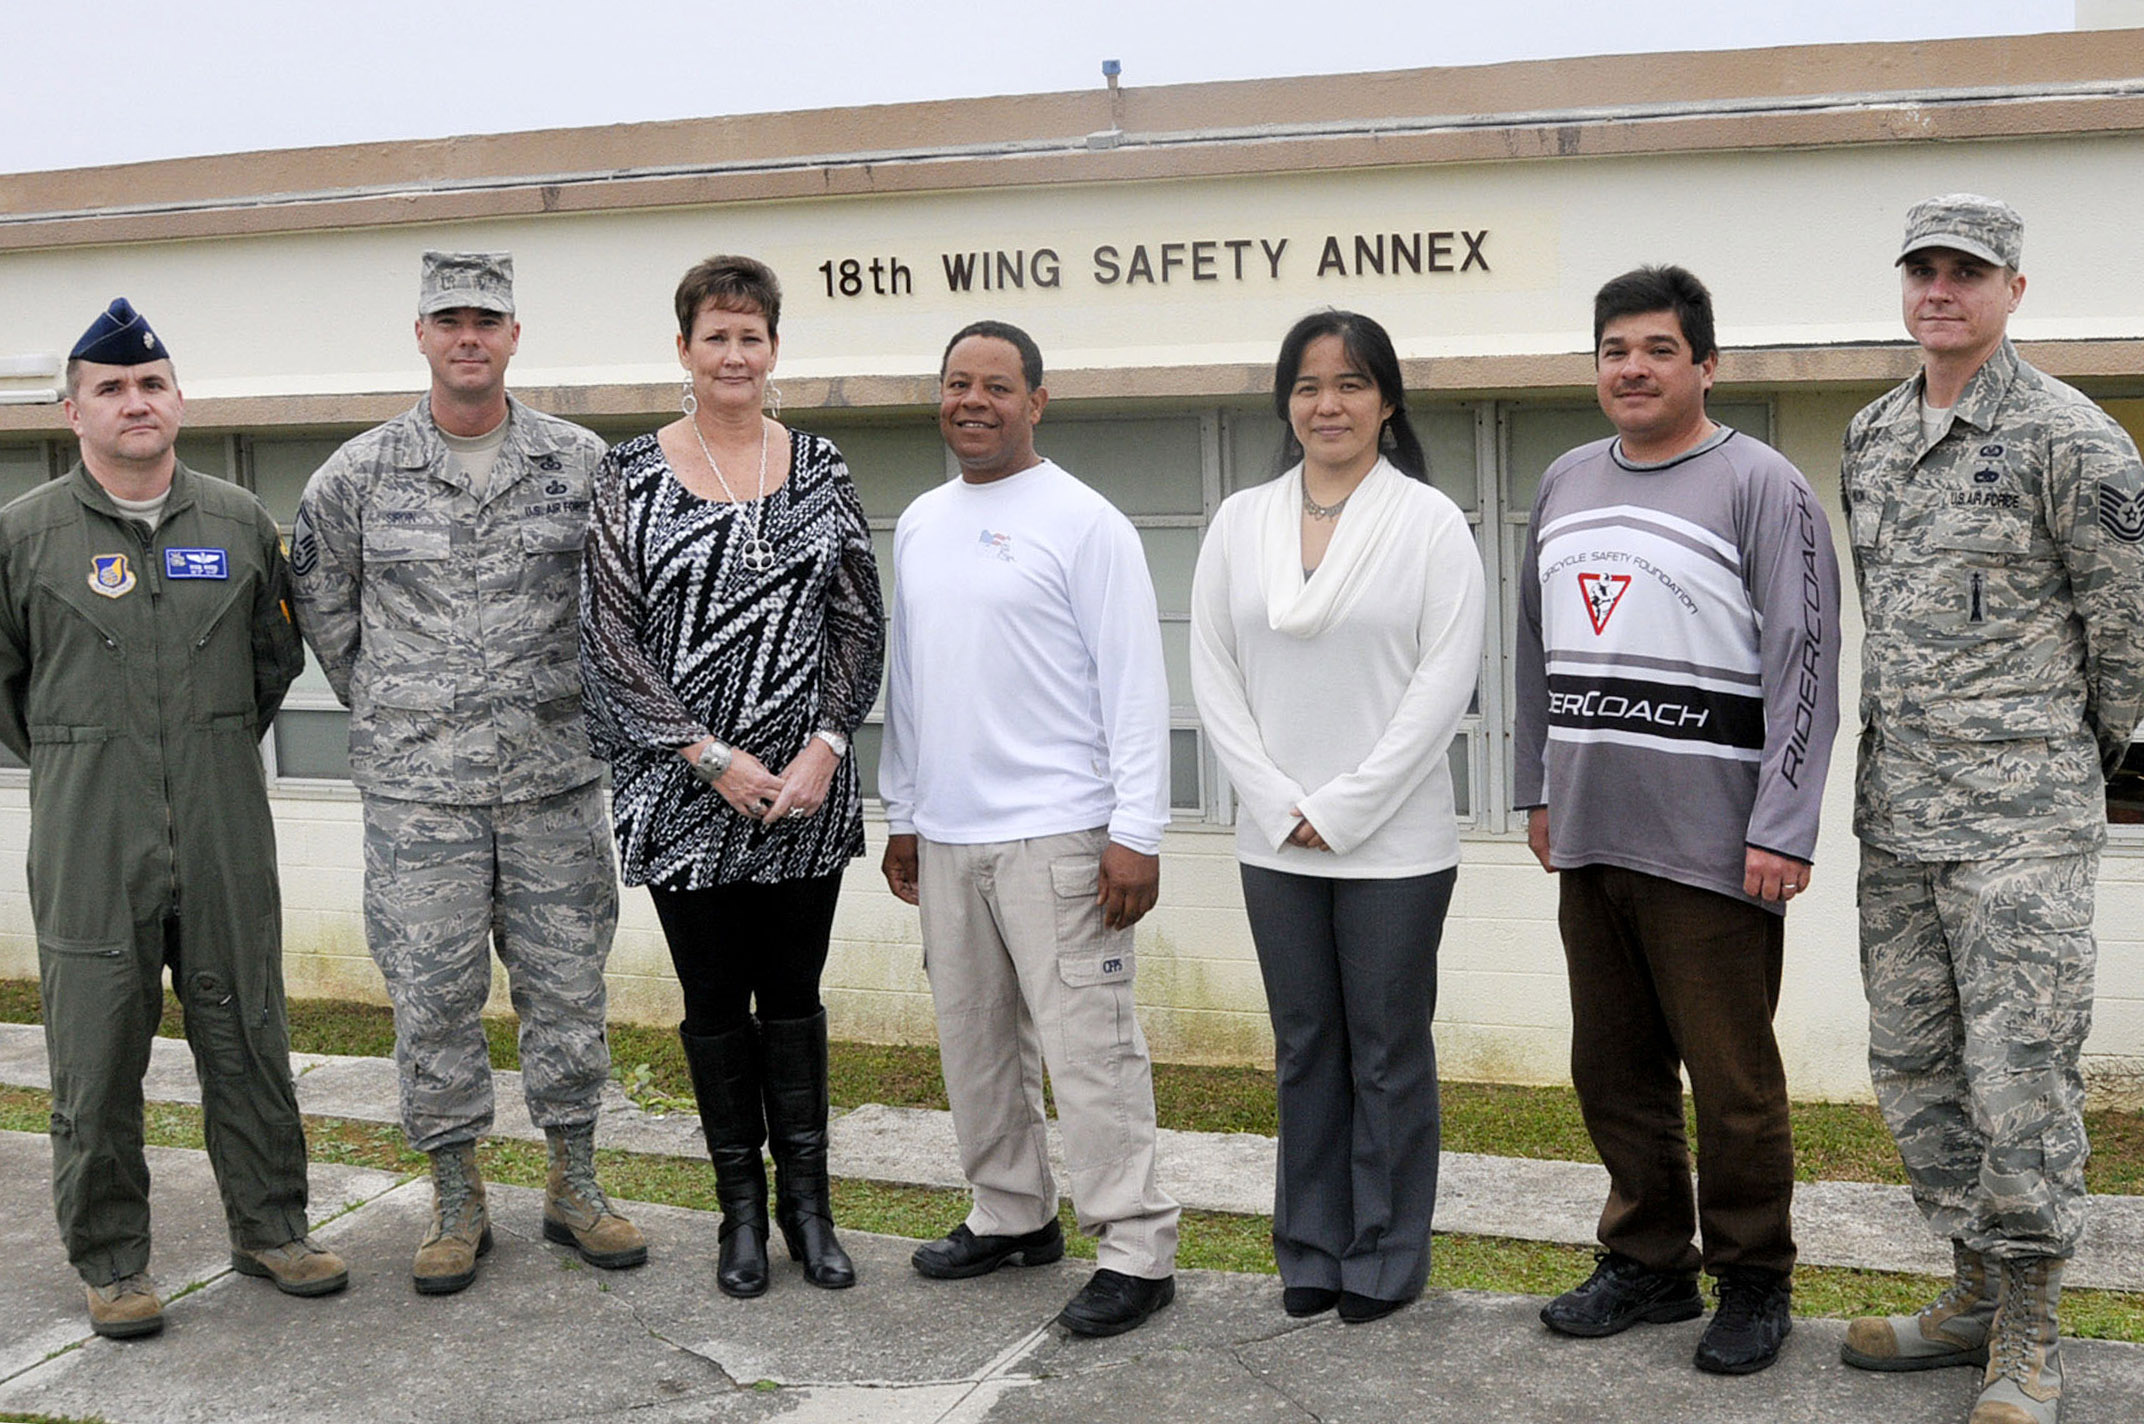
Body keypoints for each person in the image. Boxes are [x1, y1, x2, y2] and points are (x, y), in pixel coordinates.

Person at [1837, 195, 2144, 1424]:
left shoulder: (2074, 440)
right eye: (1921, 269)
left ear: (2013, 288)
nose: (1938, 290)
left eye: (1965, 271)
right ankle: (1967, 1288)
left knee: (2018, 1079)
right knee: (1914, 1071)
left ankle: (2027, 1328)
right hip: (1898, 818)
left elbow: (2125, 644)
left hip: (2019, 827)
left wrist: (2063, 767)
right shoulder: (1866, 434)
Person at [292, 252, 645, 1295]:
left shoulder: (582, 464)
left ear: (514, 335)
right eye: (448, 318)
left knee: (568, 988)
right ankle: (456, 1198)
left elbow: (620, 610)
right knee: (433, 997)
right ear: (420, 335)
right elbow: (328, 614)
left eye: (485, 318)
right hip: (419, 798)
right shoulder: (355, 475)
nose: (467, 336)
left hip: (554, 783)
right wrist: (407, 704)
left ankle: (574, 1182)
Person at [1515, 266, 1841, 1375]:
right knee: (1610, 1067)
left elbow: (1804, 663)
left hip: (1714, 840)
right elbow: (1533, 650)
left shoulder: (1762, 485)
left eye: (1657, 348)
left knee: (1732, 1080)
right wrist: (1538, 784)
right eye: (1613, 348)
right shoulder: (1562, 481)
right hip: (1592, 827)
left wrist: (1781, 823)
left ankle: (1754, 1276)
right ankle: (1648, 1258)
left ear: (1705, 363)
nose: (1632, 367)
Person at [0, 299, 346, 1339]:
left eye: (151, 384)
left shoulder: (239, 523)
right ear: (73, 411)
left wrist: (197, 746)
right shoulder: (23, 537)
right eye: (110, 387)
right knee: (96, 1048)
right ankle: (112, 1261)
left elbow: (270, 667)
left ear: (179, 400)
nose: (134, 401)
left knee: (246, 1028)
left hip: (221, 815)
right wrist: (87, 752)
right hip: (88, 828)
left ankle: (272, 1226)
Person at [580, 254, 883, 1299]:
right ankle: (741, 1218)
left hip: (803, 792)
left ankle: (810, 1208)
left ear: (773, 350)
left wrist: (827, 743)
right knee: (714, 1001)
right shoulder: (626, 474)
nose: (734, 353)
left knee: (792, 996)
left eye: (750, 335)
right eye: (715, 334)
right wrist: (703, 753)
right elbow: (606, 639)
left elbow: (858, 619)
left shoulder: (822, 465)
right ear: (683, 350)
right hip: (683, 795)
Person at [879, 320, 1180, 1338]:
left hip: (1059, 834)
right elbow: (911, 684)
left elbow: (1134, 686)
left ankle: (1136, 1246)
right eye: (956, 382)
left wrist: (1134, 831)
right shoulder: (920, 520)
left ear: (1036, 400)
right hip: (952, 834)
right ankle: (1010, 1213)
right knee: (972, 1046)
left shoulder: (1084, 521)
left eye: (996, 386)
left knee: (1088, 1051)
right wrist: (906, 812)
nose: (972, 400)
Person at [1189, 309, 1483, 1324]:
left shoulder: (1429, 524)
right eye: (1310, 384)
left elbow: (1441, 685)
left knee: (1386, 1049)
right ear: (1286, 400)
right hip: (1273, 838)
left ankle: (1383, 1255)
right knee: (1306, 1042)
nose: (1328, 403)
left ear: (1386, 400)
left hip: (1394, 843)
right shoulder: (1238, 522)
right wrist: (1278, 801)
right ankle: (1310, 1245)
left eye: (1351, 383)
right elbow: (1212, 673)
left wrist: (1345, 804)